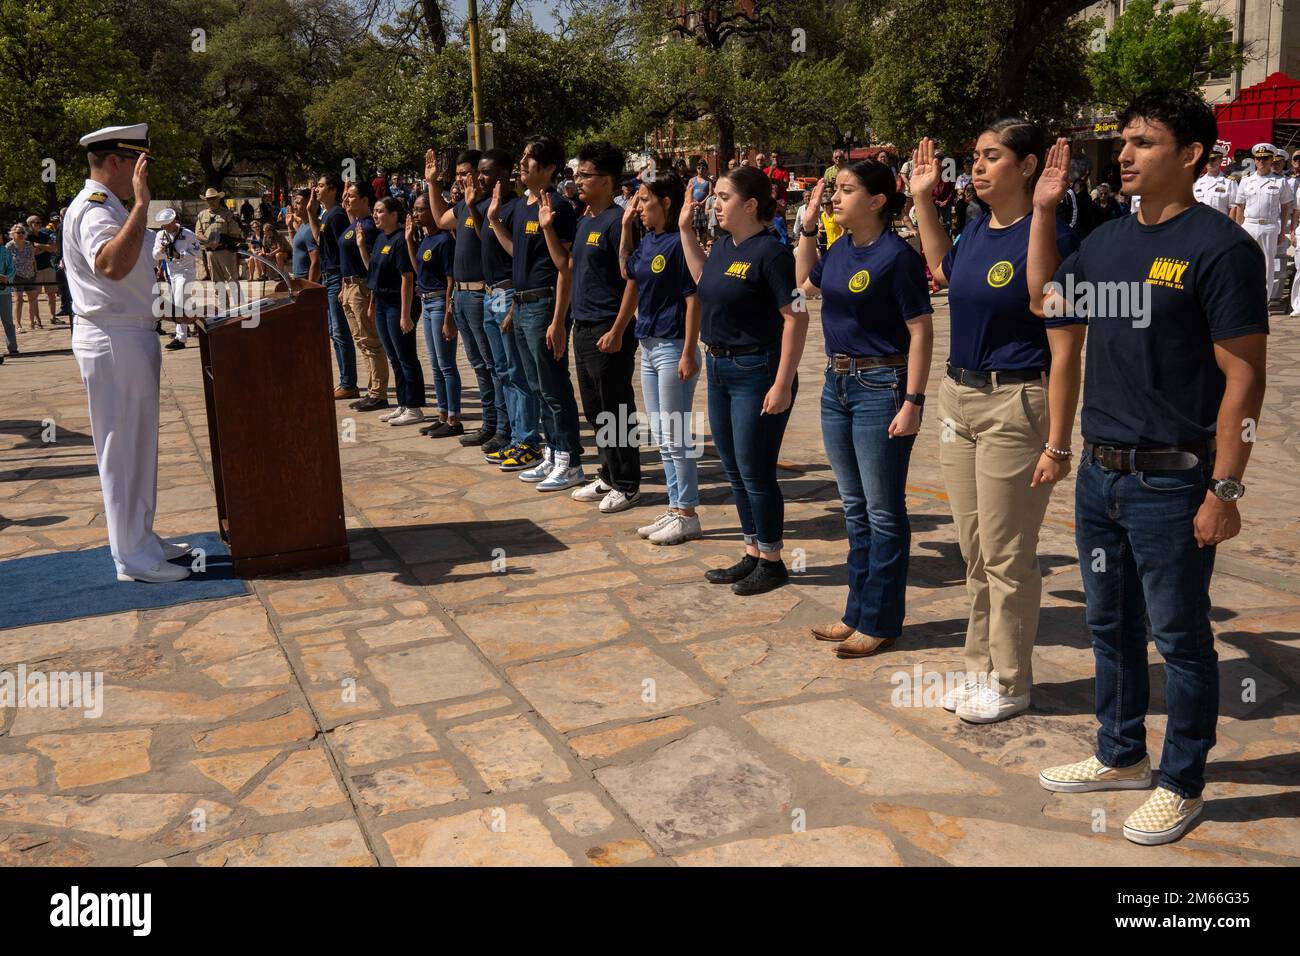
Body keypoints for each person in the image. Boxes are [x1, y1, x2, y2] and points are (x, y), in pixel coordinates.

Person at [1032, 89, 1268, 847]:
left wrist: (1225, 486)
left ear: (1192, 154)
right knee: (1110, 623)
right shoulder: (1106, 243)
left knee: (1181, 634)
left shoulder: (1221, 248)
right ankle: (1120, 752)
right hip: (1101, 472)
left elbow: (1245, 379)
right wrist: (1042, 211)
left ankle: (1182, 780)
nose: (1124, 154)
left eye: (1143, 143)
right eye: (1124, 142)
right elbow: (1048, 301)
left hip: (1173, 477)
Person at [910, 120, 1084, 723]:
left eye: (991, 157)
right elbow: (944, 273)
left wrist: (1058, 443)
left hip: (1016, 403)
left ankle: (1011, 680)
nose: (977, 168)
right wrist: (921, 200)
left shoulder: (1052, 234)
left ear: (1030, 166)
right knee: (975, 550)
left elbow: (1056, 327)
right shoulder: (979, 227)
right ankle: (980, 668)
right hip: (959, 398)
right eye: (974, 157)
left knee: (1009, 554)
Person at [795, 163, 934, 658]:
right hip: (837, 384)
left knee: (883, 510)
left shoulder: (896, 257)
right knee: (854, 508)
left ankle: (880, 620)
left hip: (882, 384)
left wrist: (913, 401)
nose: (835, 196)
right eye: (835, 189)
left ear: (876, 201)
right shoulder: (838, 248)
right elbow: (803, 285)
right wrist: (809, 227)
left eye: (846, 190)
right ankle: (856, 612)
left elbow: (921, 330)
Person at [65, 124, 191, 582]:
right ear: (116, 162)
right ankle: (131, 557)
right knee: (121, 448)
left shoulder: (111, 207)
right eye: (138, 164)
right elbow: (111, 266)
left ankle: (140, 536)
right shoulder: (97, 210)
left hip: (129, 333)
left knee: (138, 445)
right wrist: (142, 205)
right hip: (112, 338)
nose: (143, 173)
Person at [679, 165, 806, 596]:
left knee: (756, 470)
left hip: (757, 371)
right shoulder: (724, 247)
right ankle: (752, 551)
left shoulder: (772, 253)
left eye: (724, 197)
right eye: (715, 196)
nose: (715, 203)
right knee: (734, 468)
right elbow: (703, 280)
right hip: (719, 369)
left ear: (750, 205)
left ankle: (772, 559)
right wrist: (684, 232)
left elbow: (796, 317)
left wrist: (783, 382)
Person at [485, 134, 585, 492]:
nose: (522, 163)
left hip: (545, 305)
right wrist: (496, 222)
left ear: (549, 168)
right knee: (537, 387)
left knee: (555, 386)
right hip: (523, 302)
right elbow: (520, 257)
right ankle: (552, 451)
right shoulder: (524, 206)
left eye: (530, 159)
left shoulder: (558, 206)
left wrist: (559, 319)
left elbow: (564, 268)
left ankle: (570, 461)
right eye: (523, 156)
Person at [620, 174, 703, 545]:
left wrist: (688, 351)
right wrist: (625, 226)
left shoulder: (678, 244)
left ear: (665, 203)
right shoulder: (648, 240)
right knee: (662, 435)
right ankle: (674, 507)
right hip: (649, 346)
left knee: (675, 432)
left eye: (644, 201)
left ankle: (687, 512)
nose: (638, 209)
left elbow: (693, 299)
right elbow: (627, 270)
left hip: (673, 348)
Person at [562, 141, 640, 513]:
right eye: (577, 174)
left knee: (617, 408)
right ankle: (608, 474)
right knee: (595, 409)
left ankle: (628, 483)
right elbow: (571, 269)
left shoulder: (618, 222)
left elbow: (632, 280)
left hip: (609, 329)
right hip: (584, 327)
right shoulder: (584, 220)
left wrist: (619, 328)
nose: (578, 180)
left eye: (585, 175)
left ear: (607, 181)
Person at [424, 149, 507, 451]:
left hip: (482, 293)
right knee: (479, 364)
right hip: (460, 294)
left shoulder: (489, 206)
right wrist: (432, 183)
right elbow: (439, 218)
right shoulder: (462, 207)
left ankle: (502, 426)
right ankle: (489, 424)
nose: (459, 179)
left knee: (493, 364)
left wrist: (473, 206)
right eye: (456, 175)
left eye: (464, 173)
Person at [470, 148, 543, 463]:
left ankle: (527, 439)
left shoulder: (514, 208)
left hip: (505, 293)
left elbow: (518, 258)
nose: (481, 177)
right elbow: (482, 236)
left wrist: (512, 304)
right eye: (479, 171)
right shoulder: (491, 207)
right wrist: (478, 209)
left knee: (515, 371)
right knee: (501, 371)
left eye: (486, 172)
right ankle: (514, 435)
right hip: (488, 295)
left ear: (504, 174)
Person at [366, 196, 425, 426]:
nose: (375, 215)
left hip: (397, 304)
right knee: (393, 356)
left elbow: (407, 278)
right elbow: (374, 274)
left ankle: (414, 407)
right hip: (381, 302)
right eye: (375, 211)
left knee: (406, 356)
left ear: (394, 215)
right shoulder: (381, 238)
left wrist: (404, 313)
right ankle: (402, 404)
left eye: (380, 211)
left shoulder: (401, 240)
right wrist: (372, 304)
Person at [408, 193, 461, 437]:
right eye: (415, 210)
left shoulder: (444, 240)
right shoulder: (426, 239)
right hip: (426, 302)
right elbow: (420, 271)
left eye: (421, 209)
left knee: (446, 364)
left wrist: (449, 316)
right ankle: (441, 414)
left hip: (440, 303)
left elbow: (451, 280)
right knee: (435, 364)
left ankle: (453, 418)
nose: (416, 214)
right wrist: (409, 242)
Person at [339, 179, 390, 411]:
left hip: (361, 288)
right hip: (348, 287)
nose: (346, 199)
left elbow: (372, 263)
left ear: (365, 201)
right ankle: (371, 388)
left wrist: (370, 295)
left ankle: (378, 392)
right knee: (361, 342)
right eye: (346, 196)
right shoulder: (356, 223)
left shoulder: (368, 227)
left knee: (370, 342)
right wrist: (342, 288)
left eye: (351, 196)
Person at [307, 172, 357, 399]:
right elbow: (318, 240)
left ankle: (349, 382)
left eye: (320, 186)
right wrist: (310, 213)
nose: (316, 190)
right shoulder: (326, 214)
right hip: (329, 277)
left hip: (338, 277)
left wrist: (346, 283)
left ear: (333, 190)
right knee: (333, 332)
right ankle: (344, 380)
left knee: (340, 332)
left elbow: (345, 249)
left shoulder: (337, 215)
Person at [1232, 143, 1293, 302]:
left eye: (1265, 158)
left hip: (1269, 226)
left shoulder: (1280, 181)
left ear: (1271, 159)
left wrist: (1281, 231)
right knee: (1246, 262)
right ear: (1254, 160)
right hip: (1249, 225)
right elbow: (1240, 206)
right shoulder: (1246, 181)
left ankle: (1262, 302)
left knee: (1267, 265)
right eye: (1258, 158)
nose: (1261, 161)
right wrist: (1239, 229)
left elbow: (1286, 207)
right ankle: (1245, 299)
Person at [151, 208, 202, 350]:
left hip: (186, 272)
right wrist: (161, 251)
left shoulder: (187, 234)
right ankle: (197, 318)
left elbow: (198, 252)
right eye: (164, 225)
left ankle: (180, 338)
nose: (166, 227)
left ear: (174, 221)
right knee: (180, 301)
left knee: (179, 302)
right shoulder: (160, 235)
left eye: (168, 224)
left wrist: (184, 254)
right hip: (171, 273)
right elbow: (155, 255)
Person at [195, 188, 241, 283]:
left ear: (218, 199)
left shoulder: (227, 214)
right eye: (209, 199)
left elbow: (235, 233)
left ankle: (237, 298)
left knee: (232, 281)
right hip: (210, 252)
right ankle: (222, 299)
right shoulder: (202, 215)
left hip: (226, 252)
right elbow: (198, 233)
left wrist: (221, 241)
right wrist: (209, 242)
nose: (211, 201)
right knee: (217, 283)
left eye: (213, 198)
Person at [27, 214, 60, 325]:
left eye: (40, 222)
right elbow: (33, 251)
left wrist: (39, 245)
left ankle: (53, 316)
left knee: (51, 294)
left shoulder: (44, 234)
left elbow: (53, 248)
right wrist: (45, 248)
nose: (39, 224)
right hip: (35, 270)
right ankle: (37, 319)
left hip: (48, 267)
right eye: (36, 222)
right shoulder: (28, 236)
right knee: (34, 295)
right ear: (30, 224)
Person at [6, 225, 39, 330]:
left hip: (30, 275)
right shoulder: (9, 246)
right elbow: (6, 262)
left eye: (22, 233)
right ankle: (18, 325)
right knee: (19, 300)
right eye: (18, 233)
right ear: (12, 234)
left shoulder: (29, 244)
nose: (20, 235)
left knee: (33, 299)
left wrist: (35, 271)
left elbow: (33, 259)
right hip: (16, 276)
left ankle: (32, 323)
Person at [1192, 146, 1236, 217]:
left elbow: (1233, 208)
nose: (1210, 162)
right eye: (1207, 159)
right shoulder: (1197, 182)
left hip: (1219, 225)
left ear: (1221, 160)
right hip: (1199, 223)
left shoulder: (1229, 182)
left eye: (1213, 159)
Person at [289, 188, 319, 282]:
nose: (294, 206)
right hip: (299, 280)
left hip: (306, 281)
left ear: (310, 204)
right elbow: (296, 247)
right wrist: (290, 227)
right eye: (294, 203)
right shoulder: (303, 225)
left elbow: (316, 261)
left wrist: (310, 287)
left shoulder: (311, 229)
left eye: (298, 203)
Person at [0, 239, 16, 358]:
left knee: (8, 321)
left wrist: (6, 277)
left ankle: (13, 347)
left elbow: (12, 267)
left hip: (4, 291)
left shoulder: (4, 251)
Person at [689, 162, 712, 244]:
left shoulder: (708, 181)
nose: (701, 170)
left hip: (703, 207)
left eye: (703, 168)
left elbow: (710, 193)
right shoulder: (692, 180)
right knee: (694, 226)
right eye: (699, 168)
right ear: (696, 169)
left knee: (704, 226)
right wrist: (696, 202)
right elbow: (689, 192)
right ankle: (696, 242)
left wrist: (703, 202)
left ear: (706, 169)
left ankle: (704, 244)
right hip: (694, 206)